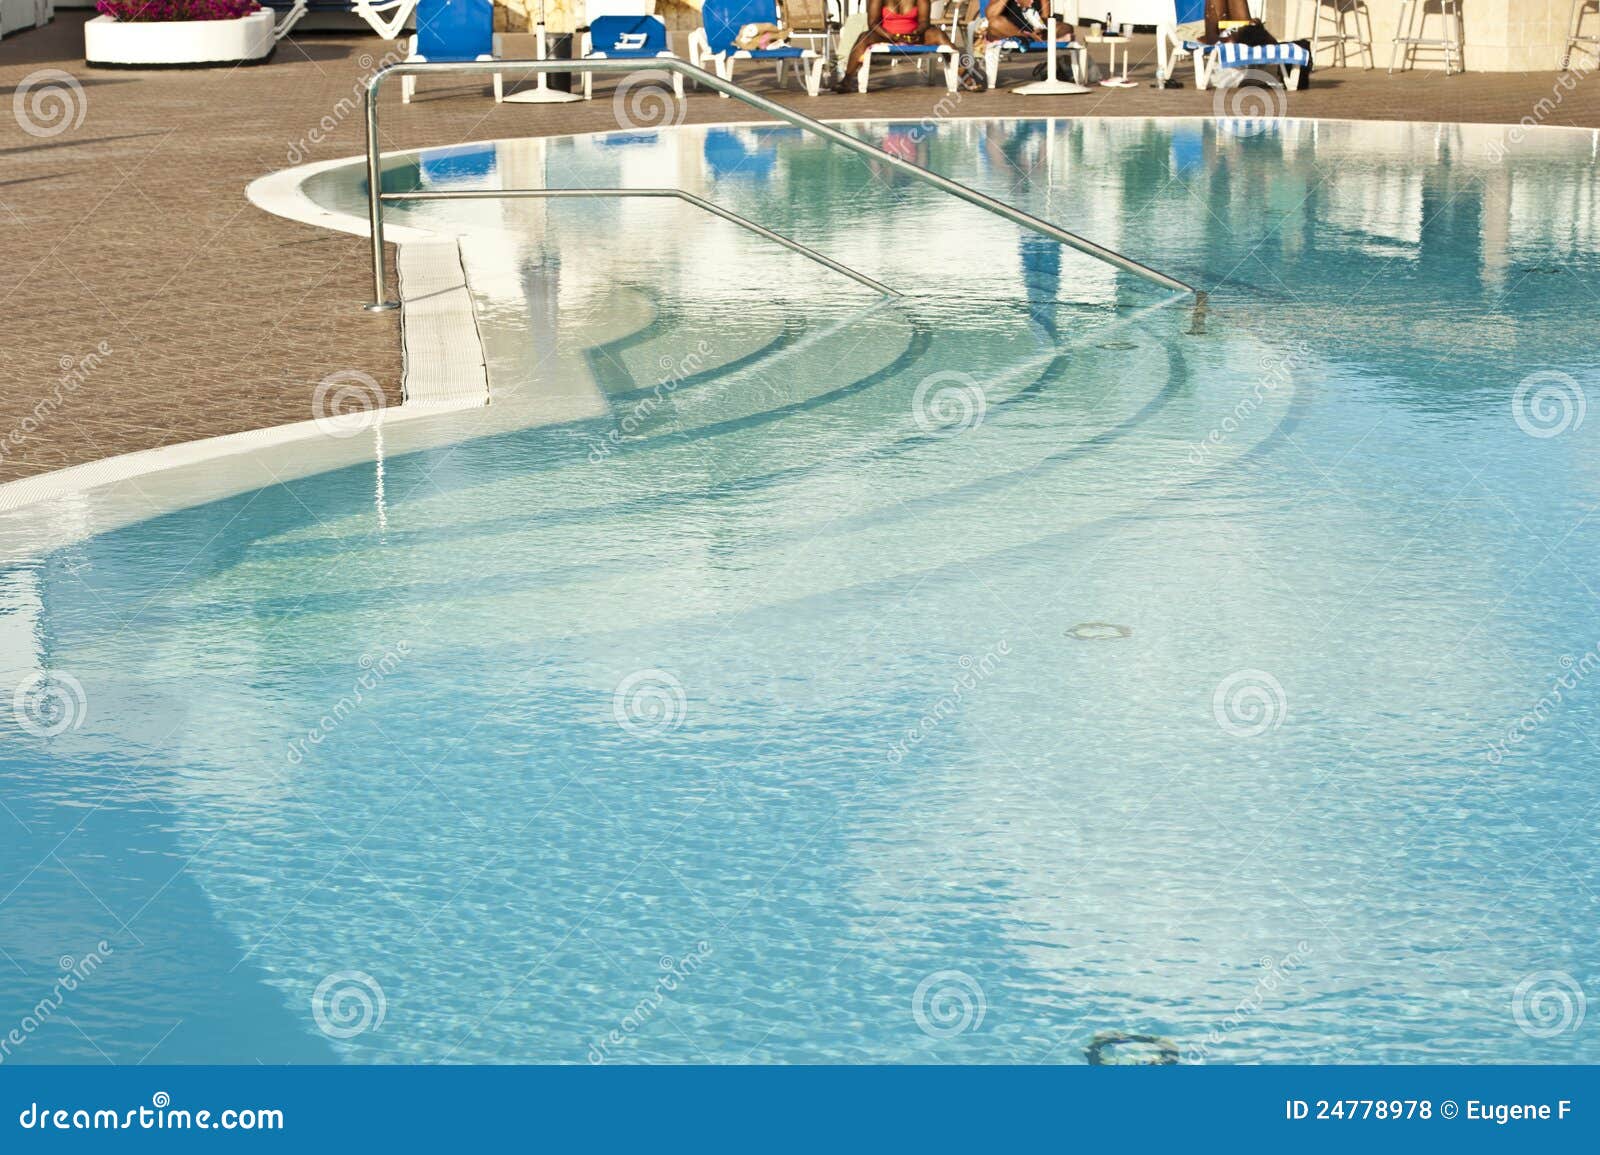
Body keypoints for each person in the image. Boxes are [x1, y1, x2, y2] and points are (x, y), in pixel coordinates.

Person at [835, 0, 974, 92]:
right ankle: (847, 79)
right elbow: (873, 23)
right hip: (885, 35)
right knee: (864, 37)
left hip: (914, 35)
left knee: (940, 35)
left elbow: (924, 21)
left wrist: (918, 32)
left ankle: (965, 75)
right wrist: (890, 36)